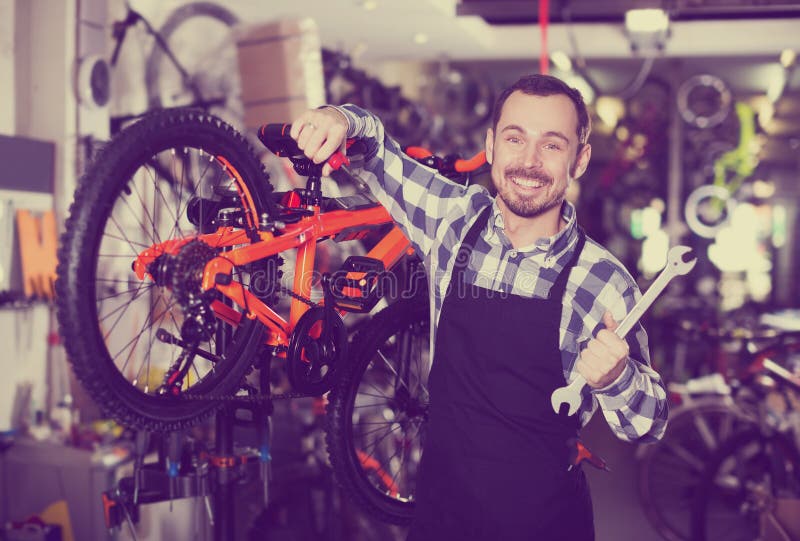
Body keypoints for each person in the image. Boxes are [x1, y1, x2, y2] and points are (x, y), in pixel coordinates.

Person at [287, 74, 668, 541]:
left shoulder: (603, 281)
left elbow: (648, 424)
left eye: (552, 145)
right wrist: (340, 119)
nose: (529, 161)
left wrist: (617, 379)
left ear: (580, 159)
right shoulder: (454, 220)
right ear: (491, 145)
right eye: (515, 138)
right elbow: (378, 157)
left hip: (543, 525)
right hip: (439, 518)